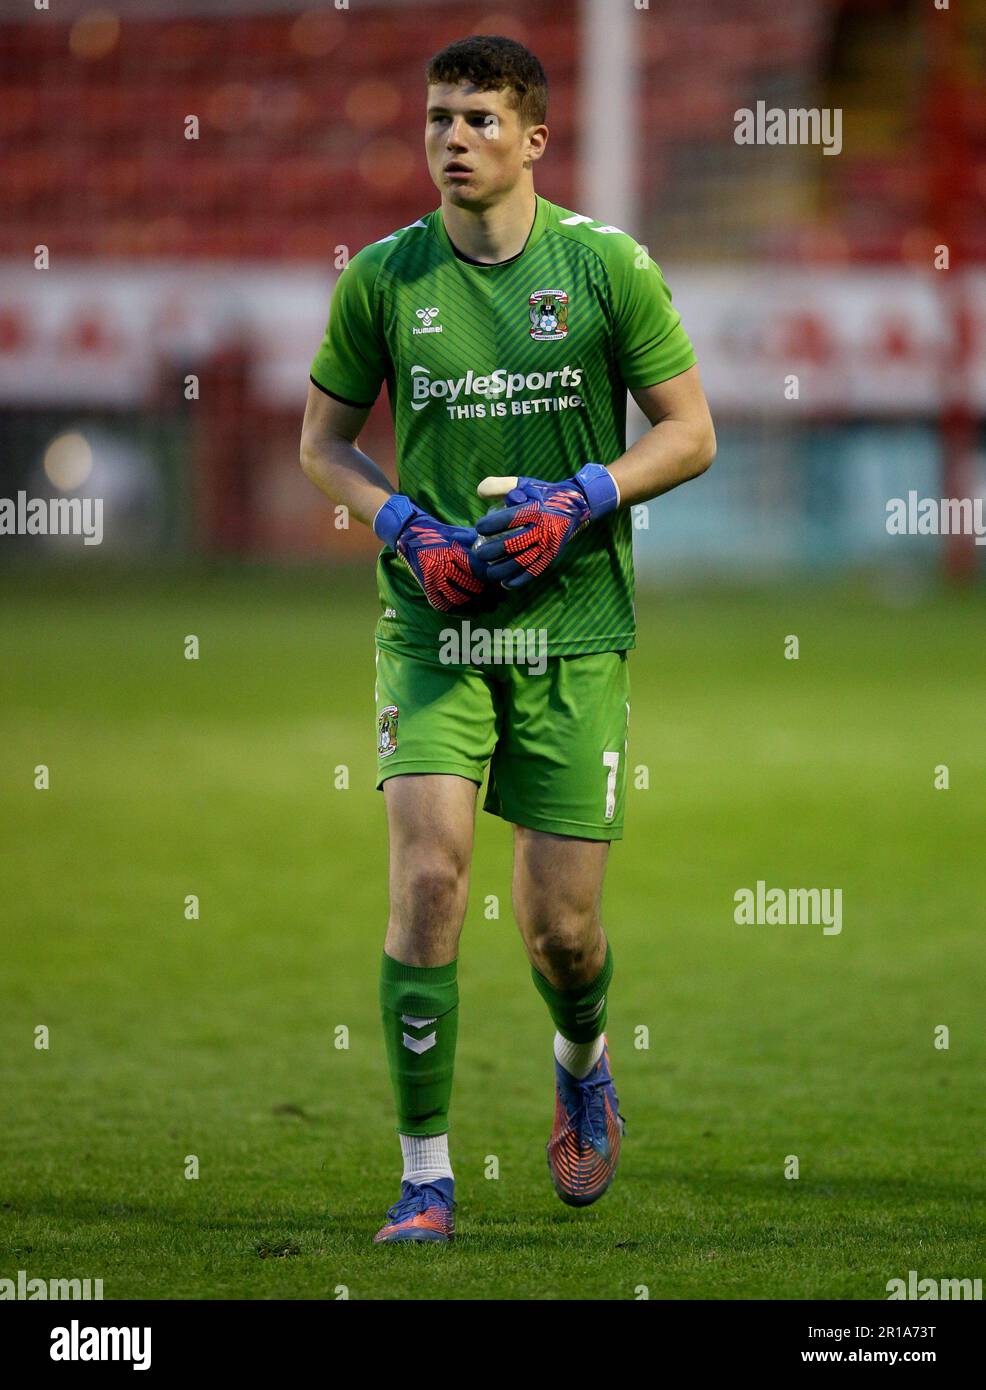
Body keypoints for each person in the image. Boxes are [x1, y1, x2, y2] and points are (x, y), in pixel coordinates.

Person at [300, 33, 715, 1244]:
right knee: (428, 878)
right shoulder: (383, 278)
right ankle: (424, 1178)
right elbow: (322, 446)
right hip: (433, 627)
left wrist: (584, 497)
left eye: (479, 121)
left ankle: (580, 1057)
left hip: (572, 631)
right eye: (437, 119)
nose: (453, 141)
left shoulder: (602, 269)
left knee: (564, 933)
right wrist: (402, 531)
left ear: (534, 138)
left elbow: (688, 432)